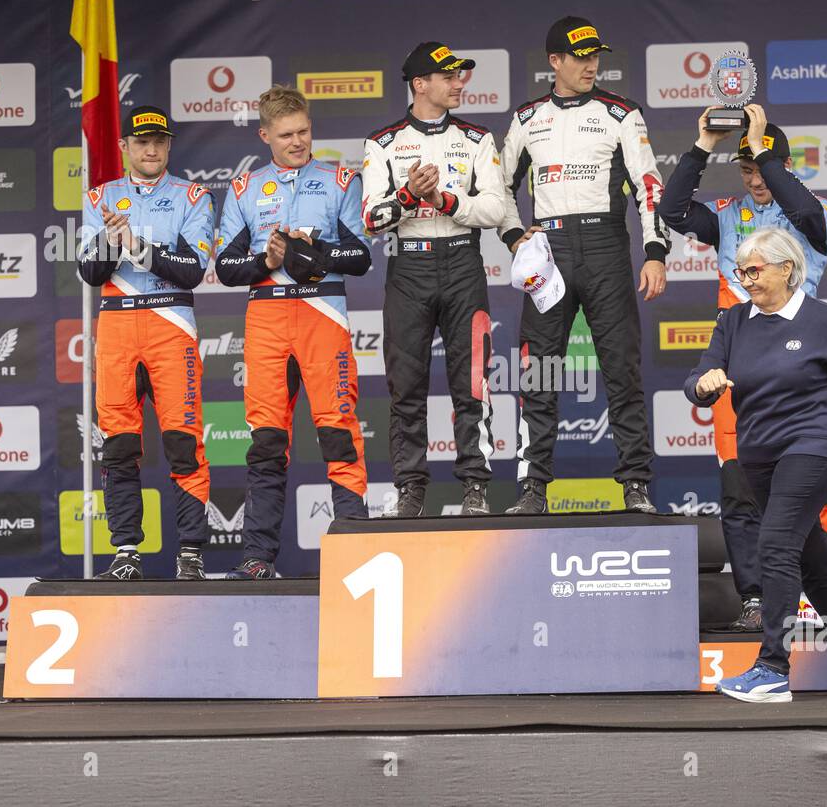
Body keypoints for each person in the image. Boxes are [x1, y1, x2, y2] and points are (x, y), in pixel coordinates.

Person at [686, 228, 827, 702]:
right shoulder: (733, 323)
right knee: (816, 569)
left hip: (817, 448)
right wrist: (704, 385)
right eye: (740, 270)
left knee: (775, 543)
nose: (745, 279)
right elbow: (698, 379)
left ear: (787, 269)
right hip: (761, 460)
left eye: (754, 269)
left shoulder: (823, 321)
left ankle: (772, 667)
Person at [661, 102, 827, 633]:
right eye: (745, 169)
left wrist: (765, 152)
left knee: (816, 487)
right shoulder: (728, 216)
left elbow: (807, 217)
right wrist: (701, 146)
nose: (754, 179)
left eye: (762, 167)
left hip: (804, 360)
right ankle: (754, 598)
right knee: (739, 483)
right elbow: (673, 212)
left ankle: (824, 603)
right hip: (742, 358)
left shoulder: (816, 211)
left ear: (783, 165)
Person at [499, 15, 671, 515]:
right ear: (555, 61)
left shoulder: (622, 113)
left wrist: (655, 252)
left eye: (596, 55)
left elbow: (649, 187)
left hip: (605, 248)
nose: (591, 64)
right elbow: (499, 188)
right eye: (580, 56)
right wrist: (514, 235)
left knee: (621, 370)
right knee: (541, 371)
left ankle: (635, 484)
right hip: (549, 253)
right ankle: (534, 489)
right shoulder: (527, 117)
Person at [215, 85, 372, 579]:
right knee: (265, 442)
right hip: (266, 320)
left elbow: (362, 256)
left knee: (338, 435)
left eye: (304, 131)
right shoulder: (243, 191)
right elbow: (225, 267)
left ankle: (355, 555)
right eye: (286, 135)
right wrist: (269, 259)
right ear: (265, 135)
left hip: (322, 315)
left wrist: (315, 253)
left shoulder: (341, 179)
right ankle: (257, 559)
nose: (298, 141)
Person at [362, 42, 507, 517]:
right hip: (409, 268)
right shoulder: (381, 143)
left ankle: (475, 489)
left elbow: (494, 209)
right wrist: (407, 196)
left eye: (460, 75)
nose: (458, 83)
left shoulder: (478, 138)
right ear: (419, 84)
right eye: (448, 76)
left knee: (473, 383)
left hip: (464, 264)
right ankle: (410, 489)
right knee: (407, 386)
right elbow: (371, 218)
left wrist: (445, 201)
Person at [77, 105, 214, 581]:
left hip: (171, 323)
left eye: (159, 141)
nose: (151, 149)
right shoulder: (100, 197)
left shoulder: (192, 196)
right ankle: (126, 553)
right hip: (116, 327)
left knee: (183, 442)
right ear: (124, 148)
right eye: (141, 142)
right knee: (118, 446)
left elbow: (193, 269)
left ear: (169, 145)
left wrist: (136, 246)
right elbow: (90, 273)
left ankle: (191, 554)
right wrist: (110, 246)